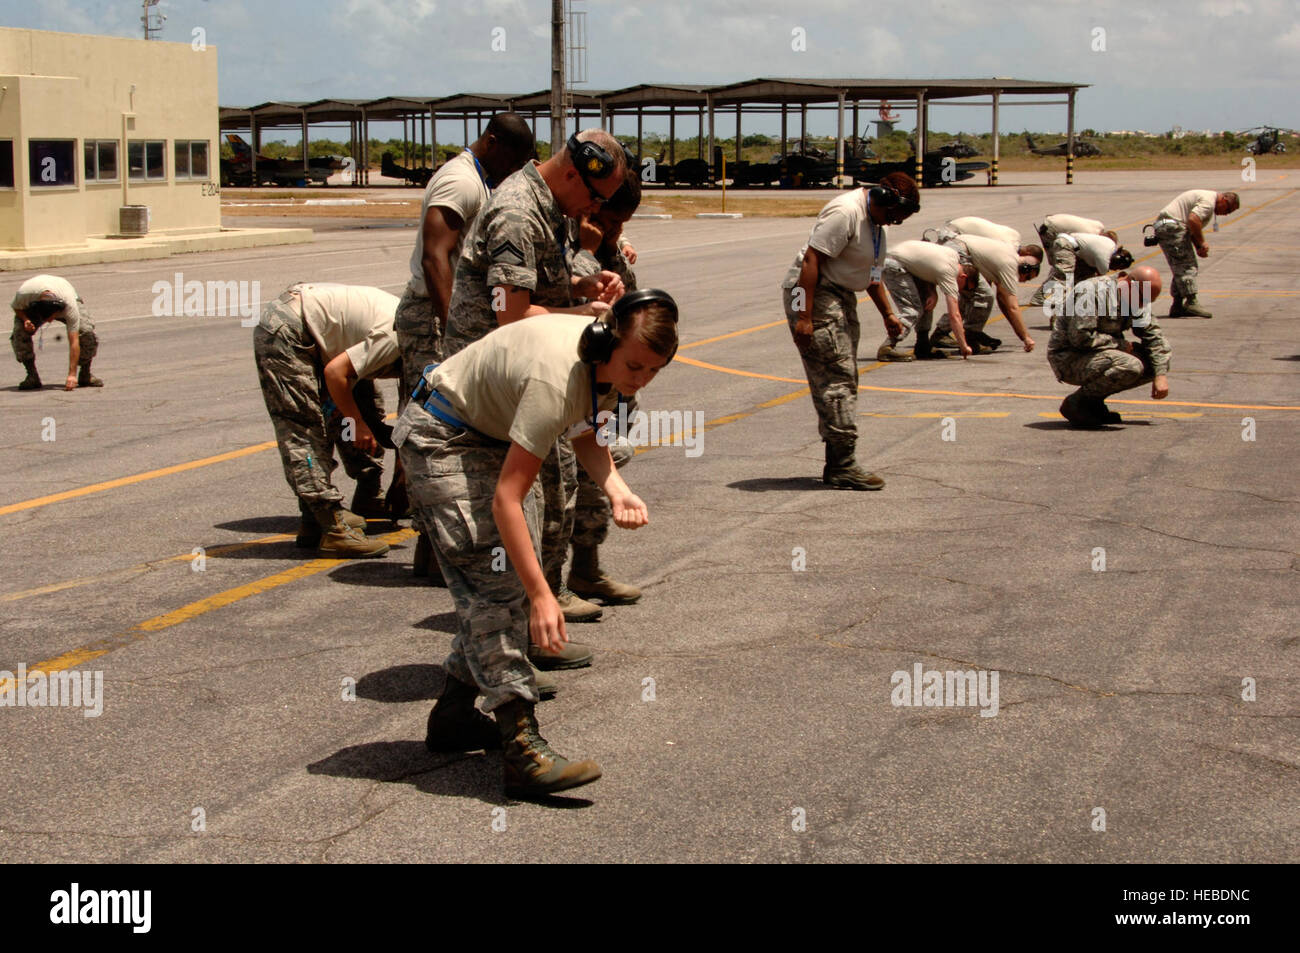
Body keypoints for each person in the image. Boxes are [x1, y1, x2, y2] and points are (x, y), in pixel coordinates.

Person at [395, 290, 679, 797]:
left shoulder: (606, 367)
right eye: (635, 366)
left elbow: (588, 429)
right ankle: (522, 748)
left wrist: (617, 488)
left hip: (488, 435)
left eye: (653, 372)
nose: (640, 380)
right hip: (442, 435)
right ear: (604, 344)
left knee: (505, 581)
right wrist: (544, 594)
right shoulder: (557, 377)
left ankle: (455, 716)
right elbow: (508, 500)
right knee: (495, 582)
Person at [441, 128, 628, 646]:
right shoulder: (518, 211)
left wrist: (582, 284)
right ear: (572, 173)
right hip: (493, 392)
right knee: (523, 505)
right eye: (595, 196)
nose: (594, 208)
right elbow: (511, 316)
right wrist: (581, 312)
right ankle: (521, 635)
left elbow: (537, 284)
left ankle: (540, 614)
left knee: (558, 493)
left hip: (529, 377)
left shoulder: (553, 207)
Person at [395, 112, 534, 580]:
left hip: (445, 319)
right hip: (431, 318)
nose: (514, 171)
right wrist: (454, 333)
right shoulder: (461, 181)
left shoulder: (481, 179)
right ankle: (433, 553)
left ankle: (436, 554)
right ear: (491, 142)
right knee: (439, 429)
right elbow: (436, 256)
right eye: (511, 160)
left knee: (457, 430)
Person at [782, 171, 920, 491]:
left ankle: (840, 459)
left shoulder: (874, 223)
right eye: (894, 216)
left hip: (840, 295)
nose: (893, 224)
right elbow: (811, 260)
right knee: (837, 377)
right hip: (814, 294)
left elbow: (872, 276)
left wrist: (888, 313)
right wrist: (805, 317)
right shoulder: (847, 213)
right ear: (883, 199)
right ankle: (842, 465)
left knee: (845, 375)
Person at [253, 282, 401, 558]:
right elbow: (336, 374)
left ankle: (366, 495)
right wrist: (356, 423)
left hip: (325, 338)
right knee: (304, 428)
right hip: (289, 330)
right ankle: (330, 526)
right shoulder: (396, 337)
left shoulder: (420, 343)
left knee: (366, 408)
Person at [566, 167, 645, 605]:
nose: (616, 230)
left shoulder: (608, 245)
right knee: (567, 484)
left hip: (610, 390)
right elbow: (574, 307)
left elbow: (626, 303)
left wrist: (611, 246)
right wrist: (587, 251)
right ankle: (556, 584)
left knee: (596, 479)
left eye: (623, 225)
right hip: (575, 385)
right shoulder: (568, 241)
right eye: (611, 221)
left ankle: (586, 568)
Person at [1047, 265, 1172, 428]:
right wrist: (1121, 345)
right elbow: (1080, 338)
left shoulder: (1135, 297)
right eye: (1141, 300)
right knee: (1130, 366)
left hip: (1099, 354)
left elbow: (1154, 337)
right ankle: (1077, 403)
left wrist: (1160, 375)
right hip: (1069, 357)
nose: (1142, 305)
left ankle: (1094, 403)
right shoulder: (1092, 292)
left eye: (1146, 302)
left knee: (1155, 362)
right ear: (1129, 283)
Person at [929, 232, 1042, 354]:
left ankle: (941, 334)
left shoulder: (1009, 256)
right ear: (1025, 269)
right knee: (985, 296)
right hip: (959, 253)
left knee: (971, 297)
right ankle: (971, 337)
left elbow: (1003, 301)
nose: (1024, 281)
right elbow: (1012, 307)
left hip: (955, 247)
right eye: (1028, 278)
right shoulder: (1010, 266)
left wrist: (1022, 335)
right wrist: (1026, 337)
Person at [876, 239, 976, 361]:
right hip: (894, 264)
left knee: (927, 302)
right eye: (965, 287)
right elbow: (954, 316)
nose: (962, 291)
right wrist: (963, 346)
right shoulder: (949, 274)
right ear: (963, 277)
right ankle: (887, 347)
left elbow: (928, 264)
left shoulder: (953, 256)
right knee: (912, 310)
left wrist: (932, 291)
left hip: (902, 260)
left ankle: (922, 344)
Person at [1152, 190, 1239, 318]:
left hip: (1169, 226)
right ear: (1224, 200)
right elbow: (1193, 220)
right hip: (1173, 227)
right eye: (1228, 210)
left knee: (1180, 267)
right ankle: (1191, 302)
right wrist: (1202, 242)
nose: (1226, 214)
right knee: (1187, 267)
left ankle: (1177, 305)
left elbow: (1191, 228)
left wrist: (1198, 247)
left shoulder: (1207, 198)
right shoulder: (1209, 203)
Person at [10, 275, 102, 390]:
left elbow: (74, 341)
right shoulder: (24, 294)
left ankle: (85, 374)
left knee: (86, 332)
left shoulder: (69, 305)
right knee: (19, 334)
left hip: (64, 295)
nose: (48, 321)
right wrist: (26, 320)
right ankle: (32, 376)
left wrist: (72, 375)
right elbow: (16, 307)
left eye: (50, 318)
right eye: (45, 319)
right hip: (34, 298)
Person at [1040, 230, 1130, 317]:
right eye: (1116, 267)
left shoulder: (1111, 246)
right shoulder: (1104, 258)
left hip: (1075, 249)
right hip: (1067, 246)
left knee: (1083, 281)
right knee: (1067, 280)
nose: (1115, 270)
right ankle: (1058, 310)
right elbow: (1102, 280)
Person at [1031, 213, 1109, 305]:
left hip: (1051, 224)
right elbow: (1071, 246)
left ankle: (1069, 292)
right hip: (1051, 231)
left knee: (1067, 264)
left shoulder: (1098, 226)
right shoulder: (1090, 235)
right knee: (1064, 269)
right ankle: (1041, 297)